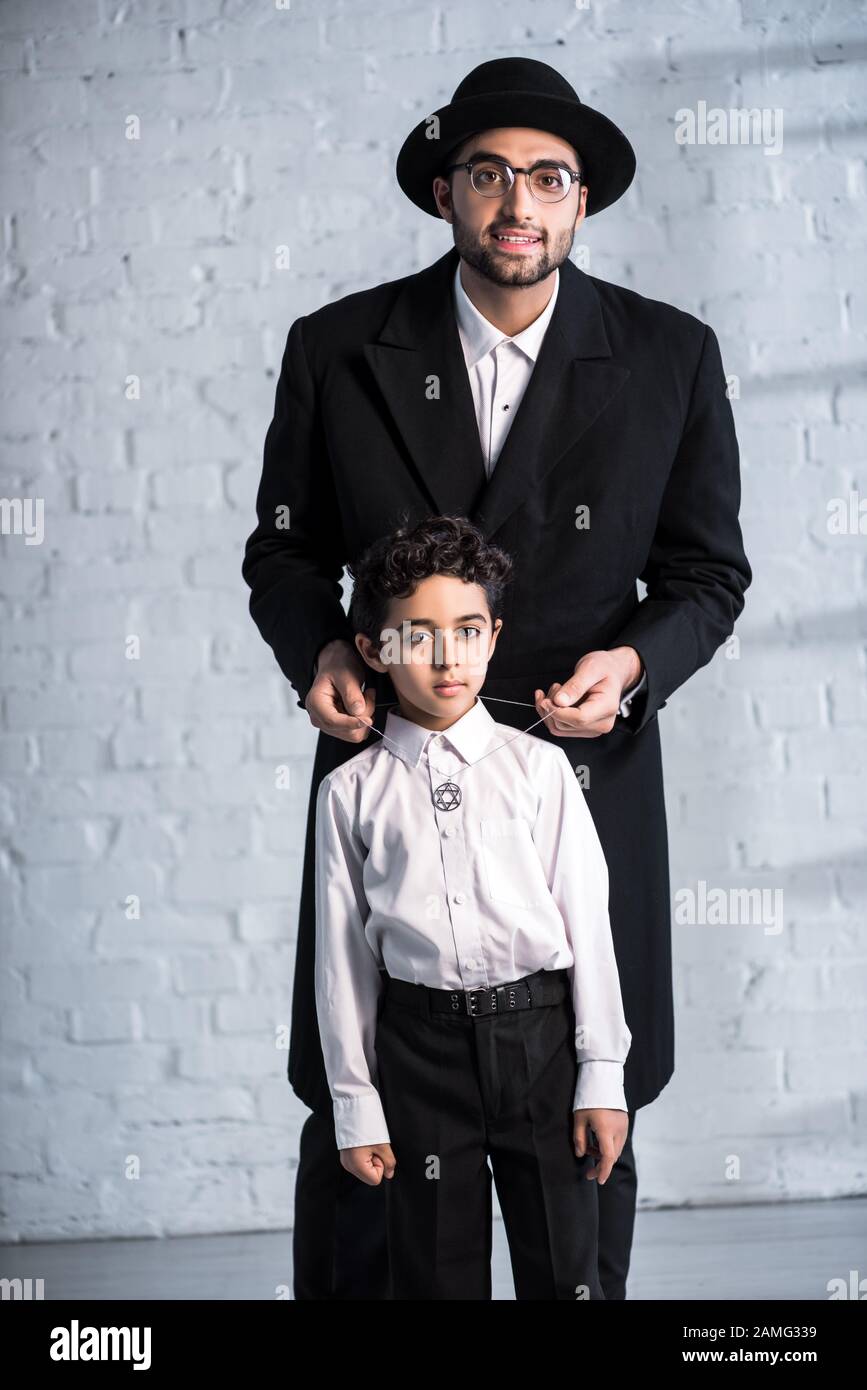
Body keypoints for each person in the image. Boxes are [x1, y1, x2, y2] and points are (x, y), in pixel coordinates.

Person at [242, 55, 752, 1300]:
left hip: (581, 758)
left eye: (548, 178)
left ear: (581, 202)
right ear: (444, 192)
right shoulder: (339, 346)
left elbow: (708, 576)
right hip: (386, 760)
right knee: (357, 1092)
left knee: (592, 1096)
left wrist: (630, 665)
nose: (517, 203)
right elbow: (284, 551)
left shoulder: (671, 356)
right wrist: (319, 647)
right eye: (488, 175)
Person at [314, 515, 632, 1300]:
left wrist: (601, 1076)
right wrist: (356, 1105)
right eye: (415, 636)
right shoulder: (348, 794)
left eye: (465, 630)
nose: (446, 656)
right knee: (434, 1275)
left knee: (565, 1271)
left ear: (493, 636)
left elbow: (588, 926)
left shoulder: (540, 770)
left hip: (540, 1046)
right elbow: (341, 960)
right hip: (419, 1057)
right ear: (373, 652)